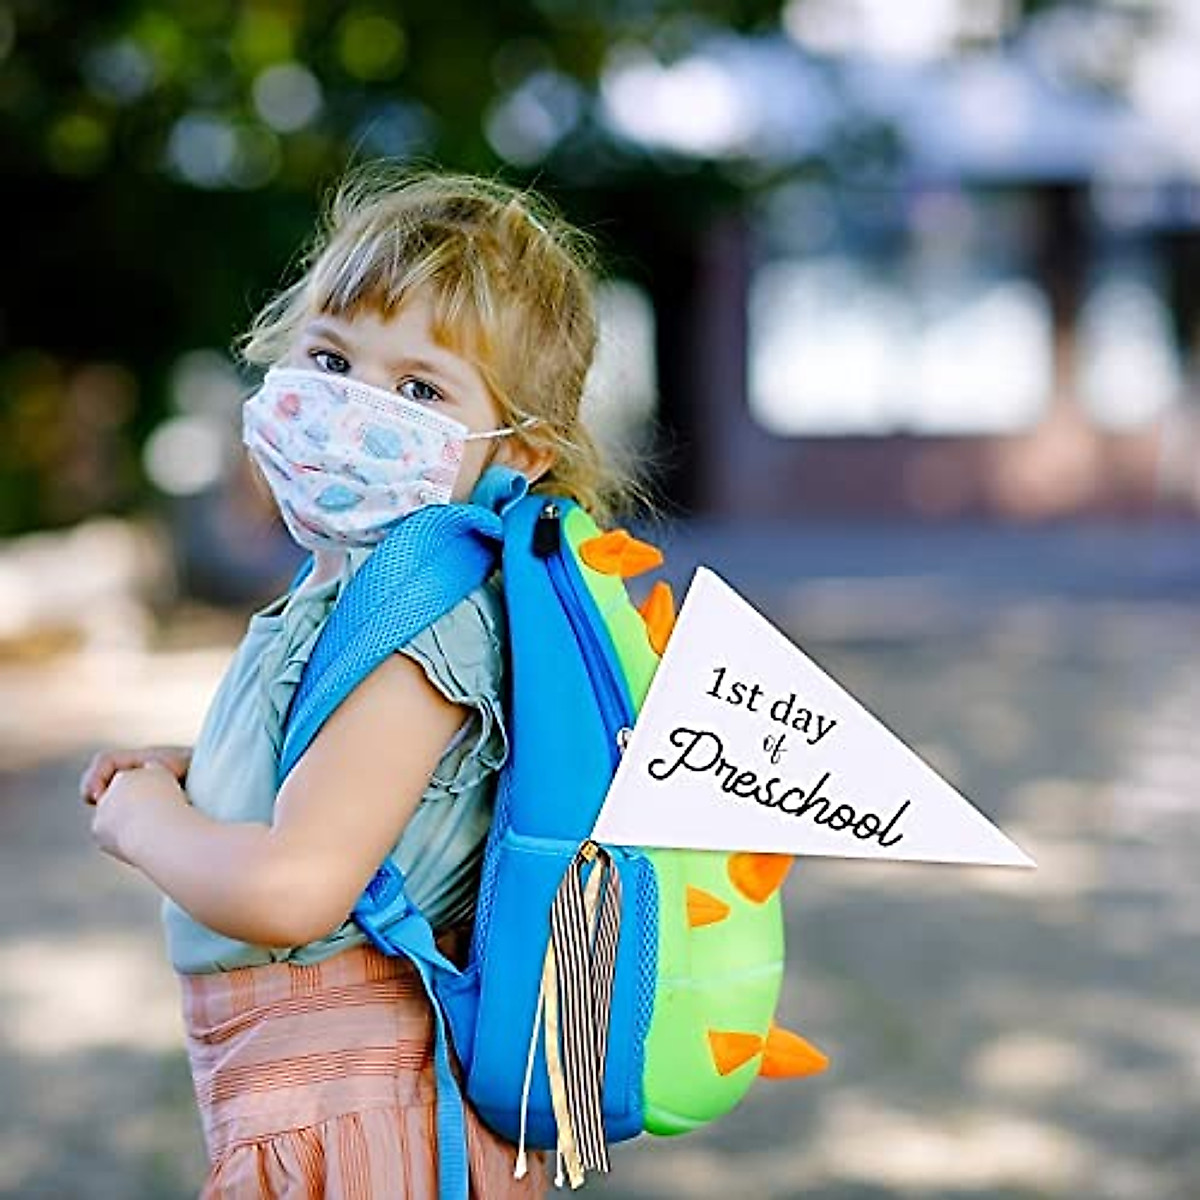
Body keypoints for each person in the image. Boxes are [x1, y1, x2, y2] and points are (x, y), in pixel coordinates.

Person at [78, 164, 633, 1198]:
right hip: (303, 1113)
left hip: (356, 1127)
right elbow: (359, 794)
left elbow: (294, 889)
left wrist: (144, 824)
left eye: (420, 389)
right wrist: (199, 774)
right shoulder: (346, 602)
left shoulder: (421, 632)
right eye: (330, 358)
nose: (352, 406)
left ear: (516, 450)